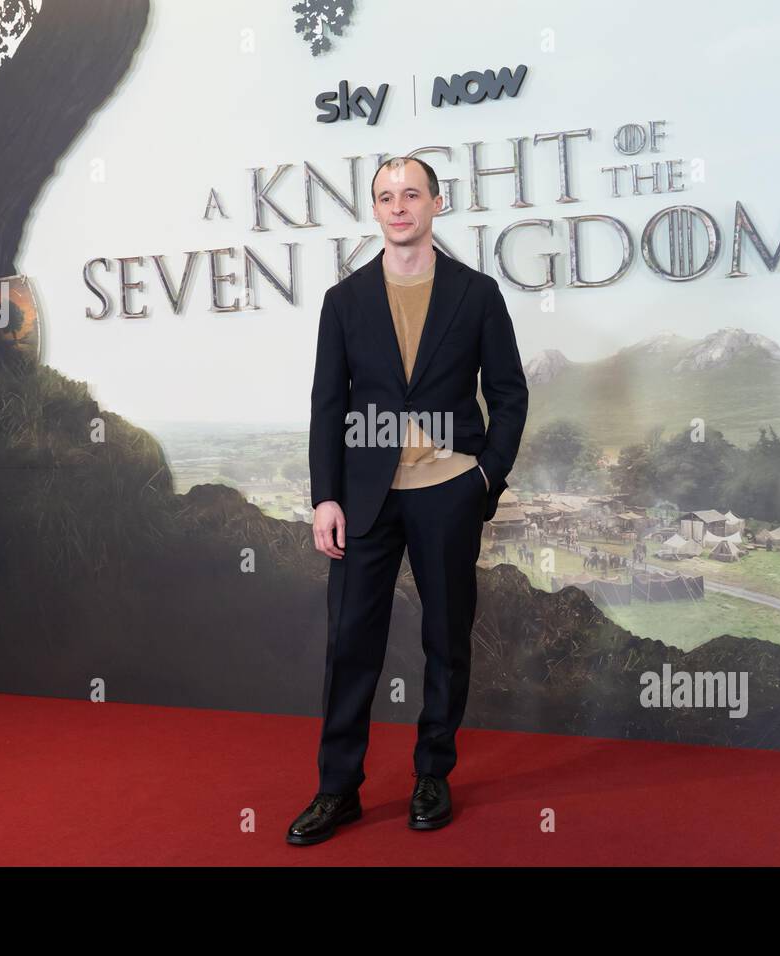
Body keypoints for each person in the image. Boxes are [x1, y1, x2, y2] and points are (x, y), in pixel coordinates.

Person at [286, 155, 528, 845]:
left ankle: (433, 774)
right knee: (349, 644)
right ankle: (338, 790)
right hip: (365, 499)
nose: (399, 207)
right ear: (376, 209)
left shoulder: (477, 294)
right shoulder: (345, 301)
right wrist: (324, 497)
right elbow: (327, 405)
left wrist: (486, 477)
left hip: (449, 493)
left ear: (436, 204)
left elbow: (509, 394)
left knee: (446, 639)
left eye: (411, 194)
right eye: (386, 196)